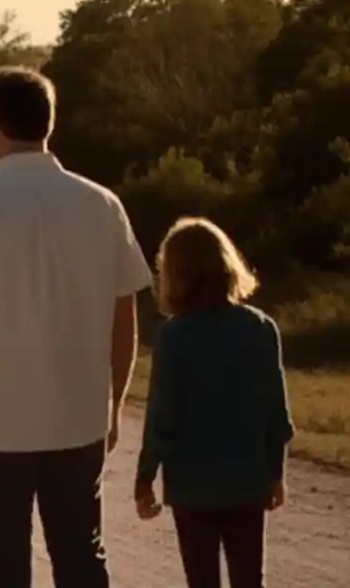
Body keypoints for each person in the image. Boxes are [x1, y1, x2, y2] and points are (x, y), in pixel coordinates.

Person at [0, 68, 152, 587]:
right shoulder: (102, 205)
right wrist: (112, 403)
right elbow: (124, 316)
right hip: (78, 416)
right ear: (49, 123)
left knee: (2, 561)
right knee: (81, 556)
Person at [134, 217, 294, 588]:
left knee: (201, 580)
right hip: (247, 481)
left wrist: (145, 476)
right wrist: (276, 472)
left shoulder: (175, 337)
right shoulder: (260, 328)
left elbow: (163, 415)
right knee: (249, 577)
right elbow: (275, 410)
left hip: (193, 486)